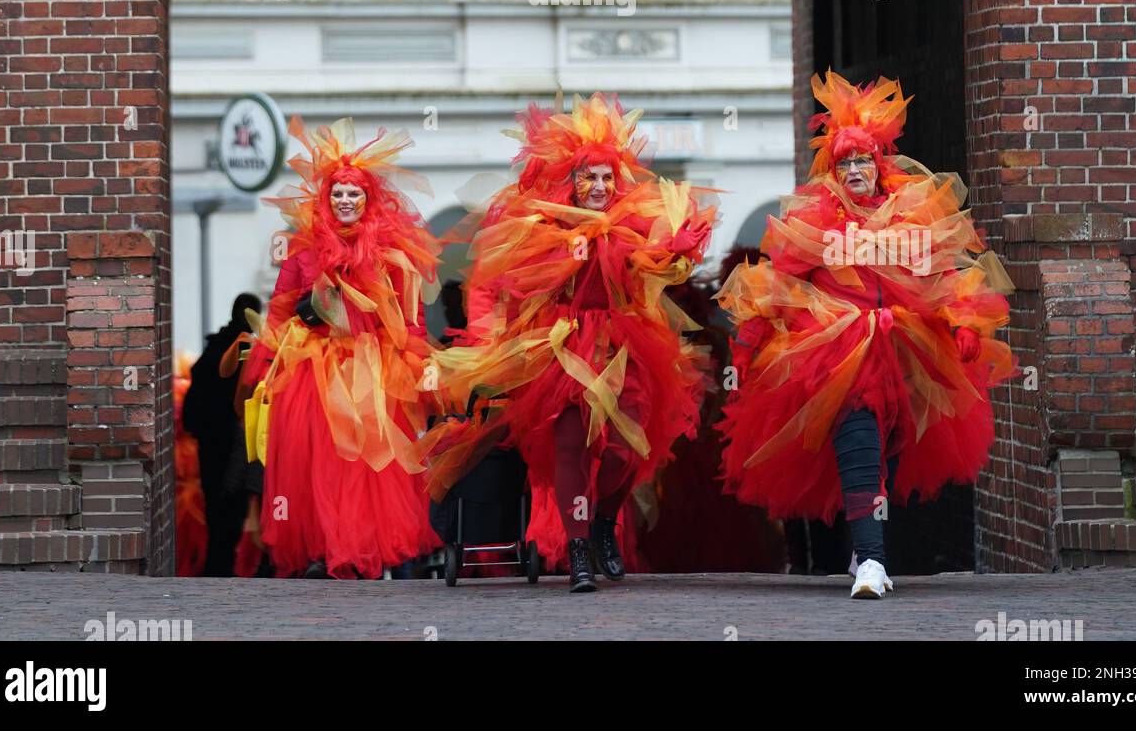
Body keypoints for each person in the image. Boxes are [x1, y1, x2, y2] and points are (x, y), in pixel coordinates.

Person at [717, 70, 1015, 599]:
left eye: (862, 161)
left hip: (904, 352)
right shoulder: (815, 226)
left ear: (880, 167)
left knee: (886, 454)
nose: (854, 170)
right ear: (832, 172)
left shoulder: (910, 220)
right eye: (844, 163)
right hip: (834, 354)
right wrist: (750, 343)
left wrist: (963, 322)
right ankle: (873, 561)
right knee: (857, 444)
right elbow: (778, 286)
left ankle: (865, 543)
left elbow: (946, 275)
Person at [422, 93, 716, 592]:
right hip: (563, 345)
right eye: (588, 177)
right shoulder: (546, 226)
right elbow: (512, 283)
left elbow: (665, 261)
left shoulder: (632, 223)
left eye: (606, 177)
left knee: (625, 451)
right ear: (572, 181)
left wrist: (681, 247)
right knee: (570, 448)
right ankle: (579, 547)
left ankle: (602, 520)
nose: (599, 186)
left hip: (624, 346)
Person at [238, 117, 442, 579]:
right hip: (317, 369)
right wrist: (269, 361)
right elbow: (280, 308)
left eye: (355, 194)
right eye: (338, 194)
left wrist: (419, 360)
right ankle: (329, 549)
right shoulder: (302, 251)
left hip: (375, 368)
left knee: (370, 470)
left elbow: (411, 316)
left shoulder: (392, 252)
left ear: (369, 201)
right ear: (326, 201)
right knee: (322, 465)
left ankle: (358, 551)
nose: (346, 201)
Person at [182, 291, 262, 576]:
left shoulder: (216, 345)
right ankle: (224, 564)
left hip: (211, 439)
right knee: (235, 504)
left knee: (217, 504)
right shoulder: (248, 347)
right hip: (236, 439)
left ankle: (218, 565)